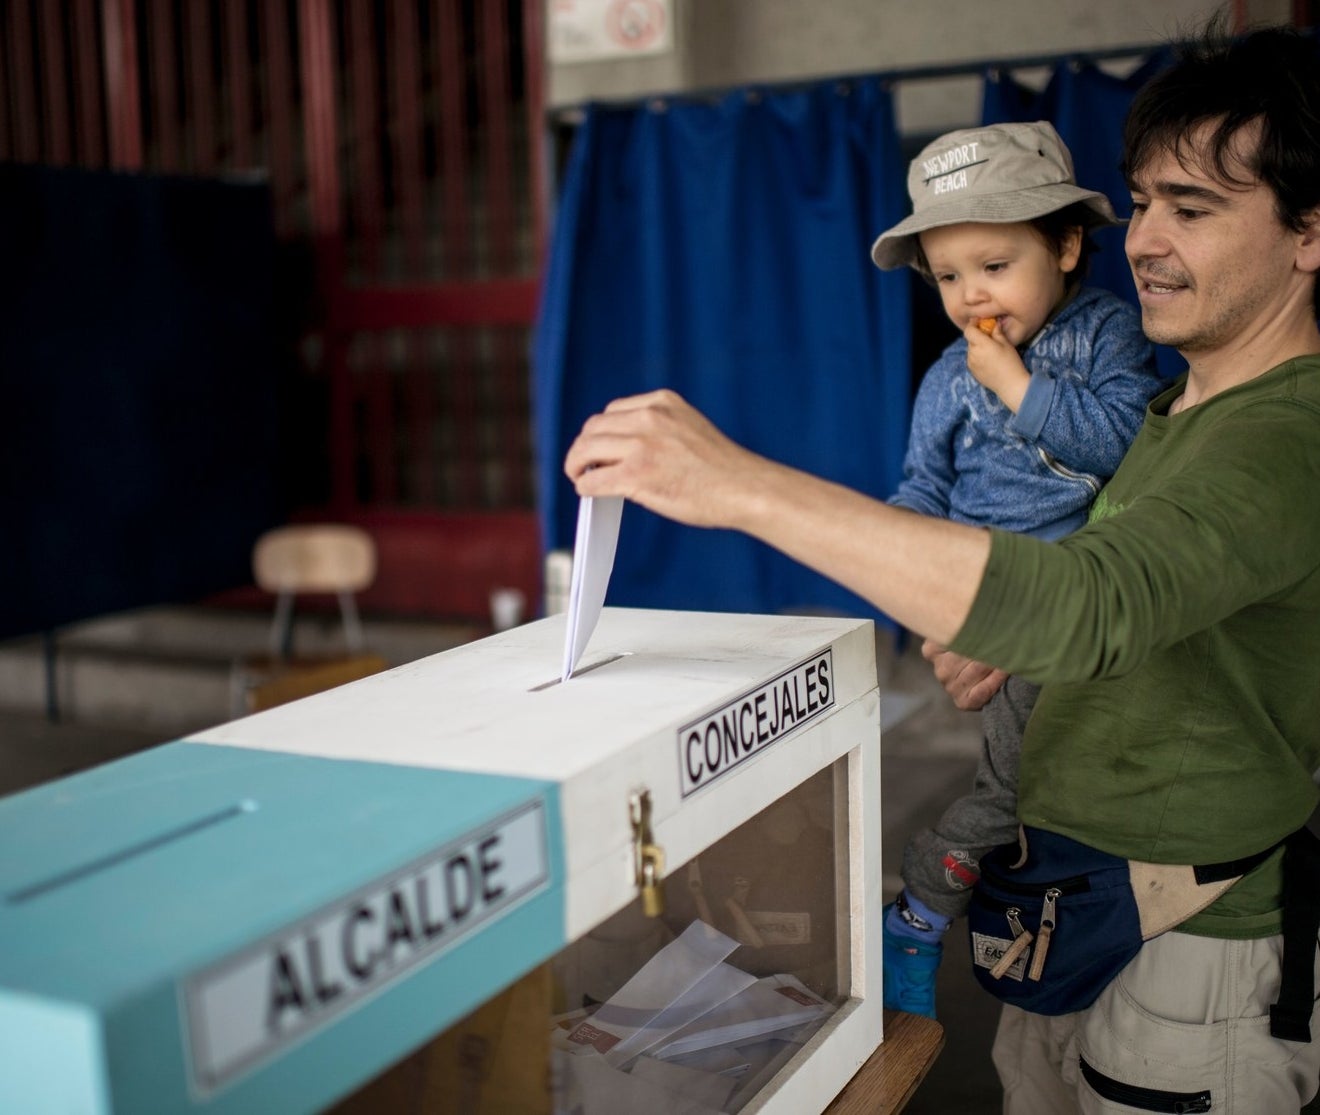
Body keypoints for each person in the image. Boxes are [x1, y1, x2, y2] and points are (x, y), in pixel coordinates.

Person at [564, 19, 1320, 1113]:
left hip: (1191, 953)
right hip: (1072, 901)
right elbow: (1087, 575)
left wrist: (742, 486)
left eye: (1193, 209)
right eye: (1145, 200)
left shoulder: (1283, 434)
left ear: (1309, 233)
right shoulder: (1172, 410)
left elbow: (1095, 601)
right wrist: (988, 626)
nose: (1148, 239)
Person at [870, 120, 1164, 1020]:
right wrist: (901, 564)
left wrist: (1012, 380)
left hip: (1082, 600)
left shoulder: (1109, 331)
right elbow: (923, 486)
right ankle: (922, 912)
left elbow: (1123, 443)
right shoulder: (944, 380)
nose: (969, 297)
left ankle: (959, 906)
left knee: (1047, 791)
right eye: (948, 275)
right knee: (1017, 789)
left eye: (993, 266)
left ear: (1067, 245)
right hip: (992, 607)